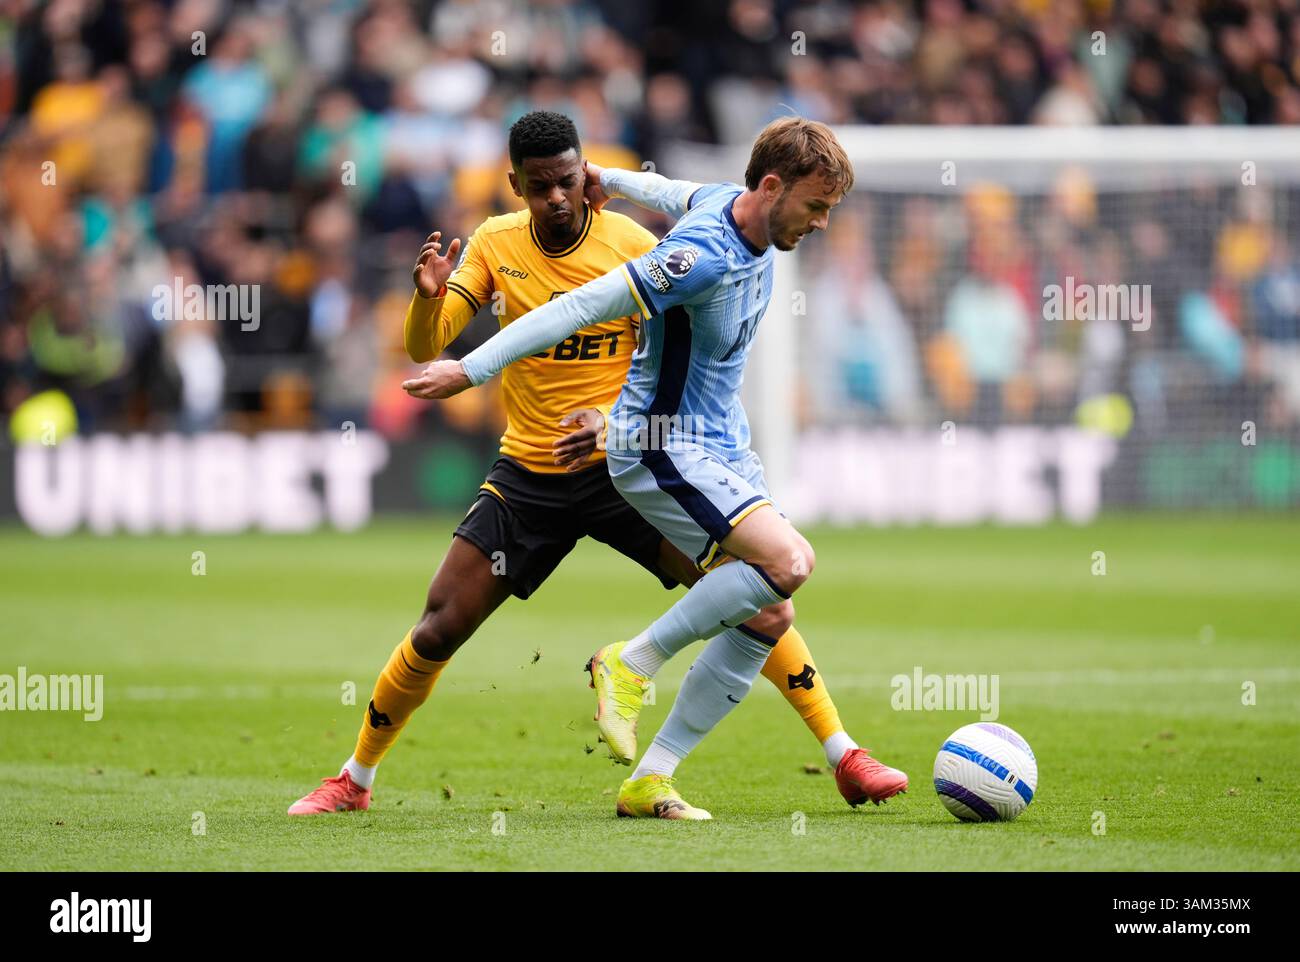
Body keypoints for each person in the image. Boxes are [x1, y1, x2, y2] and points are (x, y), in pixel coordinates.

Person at [288, 112, 901, 817]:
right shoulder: (495, 242)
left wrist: (610, 423)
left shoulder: (633, 243)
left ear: (586, 178)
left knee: (756, 597)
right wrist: (428, 308)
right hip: (532, 471)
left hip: (622, 465)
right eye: (540, 186)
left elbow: (663, 359)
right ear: (516, 186)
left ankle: (840, 750)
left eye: (571, 182)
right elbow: (431, 342)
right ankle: (354, 779)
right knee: (440, 623)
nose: (557, 198)